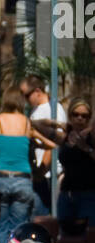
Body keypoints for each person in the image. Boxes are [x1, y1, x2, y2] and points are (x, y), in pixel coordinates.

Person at [0, 87, 45, 243]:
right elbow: (49, 144)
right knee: (19, 228)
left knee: (0, 226)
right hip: (23, 180)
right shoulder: (26, 122)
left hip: (0, 179)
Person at [35, 96, 95, 234]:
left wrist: (86, 148)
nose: (80, 118)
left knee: (88, 237)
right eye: (76, 114)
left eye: (84, 116)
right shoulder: (65, 137)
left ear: (89, 118)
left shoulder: (91, 137)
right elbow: (35, 124)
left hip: (88, 195)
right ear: (70, 116)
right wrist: (58, 124)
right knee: (66, 237)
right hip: (67, 195)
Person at [21, 74, 66, 209]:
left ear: (37, 91)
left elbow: (54, 144)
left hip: (48, 175)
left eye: (26, 95)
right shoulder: (36, 109)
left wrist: (40, 172)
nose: (24, 99)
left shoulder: (52, 109)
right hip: (39, 174)